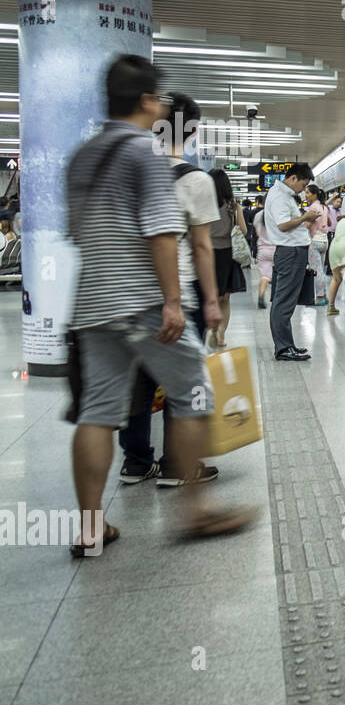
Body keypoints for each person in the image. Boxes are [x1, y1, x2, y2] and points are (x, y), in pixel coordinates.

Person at [64, 54, 255, 552]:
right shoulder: (144, 154)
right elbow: (162, 234)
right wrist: (174, 301)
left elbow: (76, 232)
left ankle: (90, 528)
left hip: (92, 304)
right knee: (193, 393)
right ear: (148, 101)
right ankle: (196, 512)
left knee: (98, 411)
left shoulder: (82, 156)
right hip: (144, 299)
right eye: (156, 99)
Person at [118, 92, 223, 487]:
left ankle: (135, 460)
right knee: (185, 381)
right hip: (177, 294)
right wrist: (212, 301)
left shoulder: (132, 173)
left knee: (139, 378)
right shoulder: (196, 179)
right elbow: (200, 248)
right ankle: (177, 465)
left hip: (133, 294)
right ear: (192, 131)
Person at [263, 162, 321, 361]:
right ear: (293, 178)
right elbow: (283, 225)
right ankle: (283, 348)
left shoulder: (284, 195)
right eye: (303, 184)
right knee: (283, 301)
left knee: (284, 300)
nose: (304, 189)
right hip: (290, 253)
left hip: (292, 252)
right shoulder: (280, 196)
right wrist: (305, 216)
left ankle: (286, 344)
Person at [207, 167, 248, 349]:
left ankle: (212, 329)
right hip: (228, 254)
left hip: (207, 254)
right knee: (225, 299)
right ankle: (221, 336)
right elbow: (244, 231)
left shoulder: (204, 203)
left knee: (211, 297)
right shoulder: (233, 204)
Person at [304, 183, 330, 304]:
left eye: (308, 193)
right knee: (321, 270)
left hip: (314, 241)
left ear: (314, 194)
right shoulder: (324, 207)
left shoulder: (313, 208)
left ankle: (319, 297)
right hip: (325, 241)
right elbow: (329, 222)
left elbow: (308, 225)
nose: (306, 196)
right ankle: (324, 295)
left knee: (316, 270)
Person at [252, 206, 274, 309]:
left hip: (263, 249)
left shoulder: (259, 215)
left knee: (265, 276)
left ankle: (261, 296)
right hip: (277, 249)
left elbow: (257, 232)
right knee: (279, 275)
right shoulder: (277, 213)